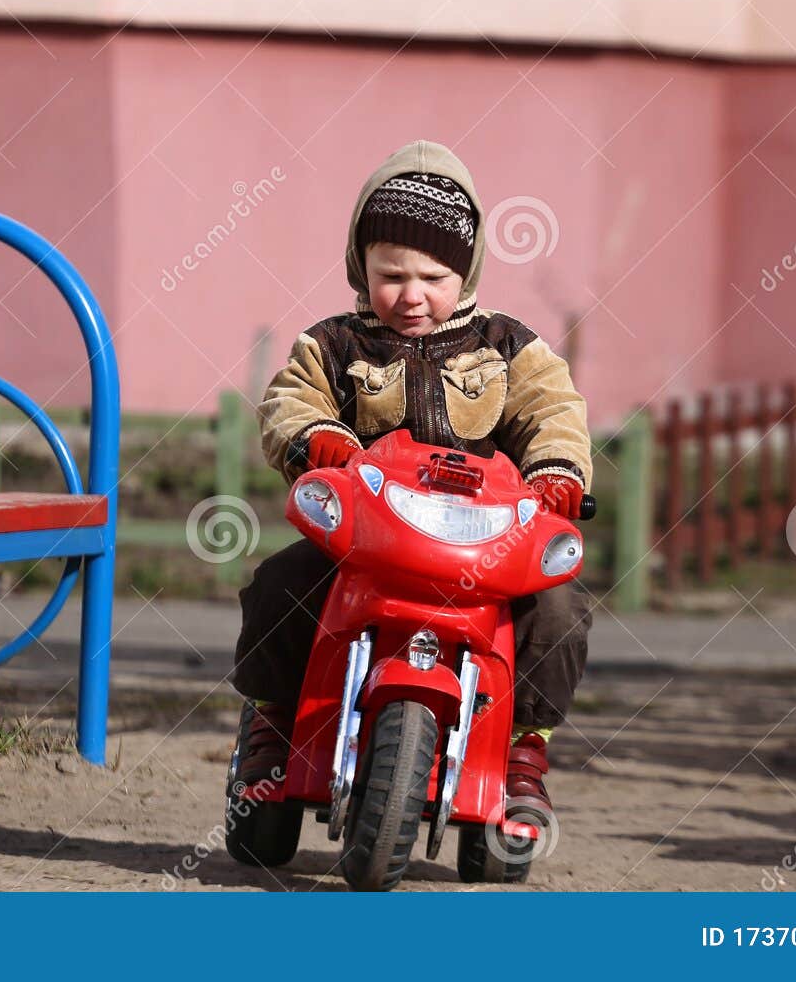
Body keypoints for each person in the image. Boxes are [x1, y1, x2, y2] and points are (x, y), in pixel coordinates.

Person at [231, 139, 593, 825]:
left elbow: (553, 410)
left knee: (559, 612)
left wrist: (556, 471)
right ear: (360, 265)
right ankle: (273, 731)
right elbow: (291, 400)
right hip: (365, 539)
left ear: (468, 270)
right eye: (391, 274)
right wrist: (319, 439)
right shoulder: (335, 343)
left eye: (433, 276)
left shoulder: (506, 346)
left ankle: (522, 754)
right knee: (281, 584)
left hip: (481, 546)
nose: (413, 296)